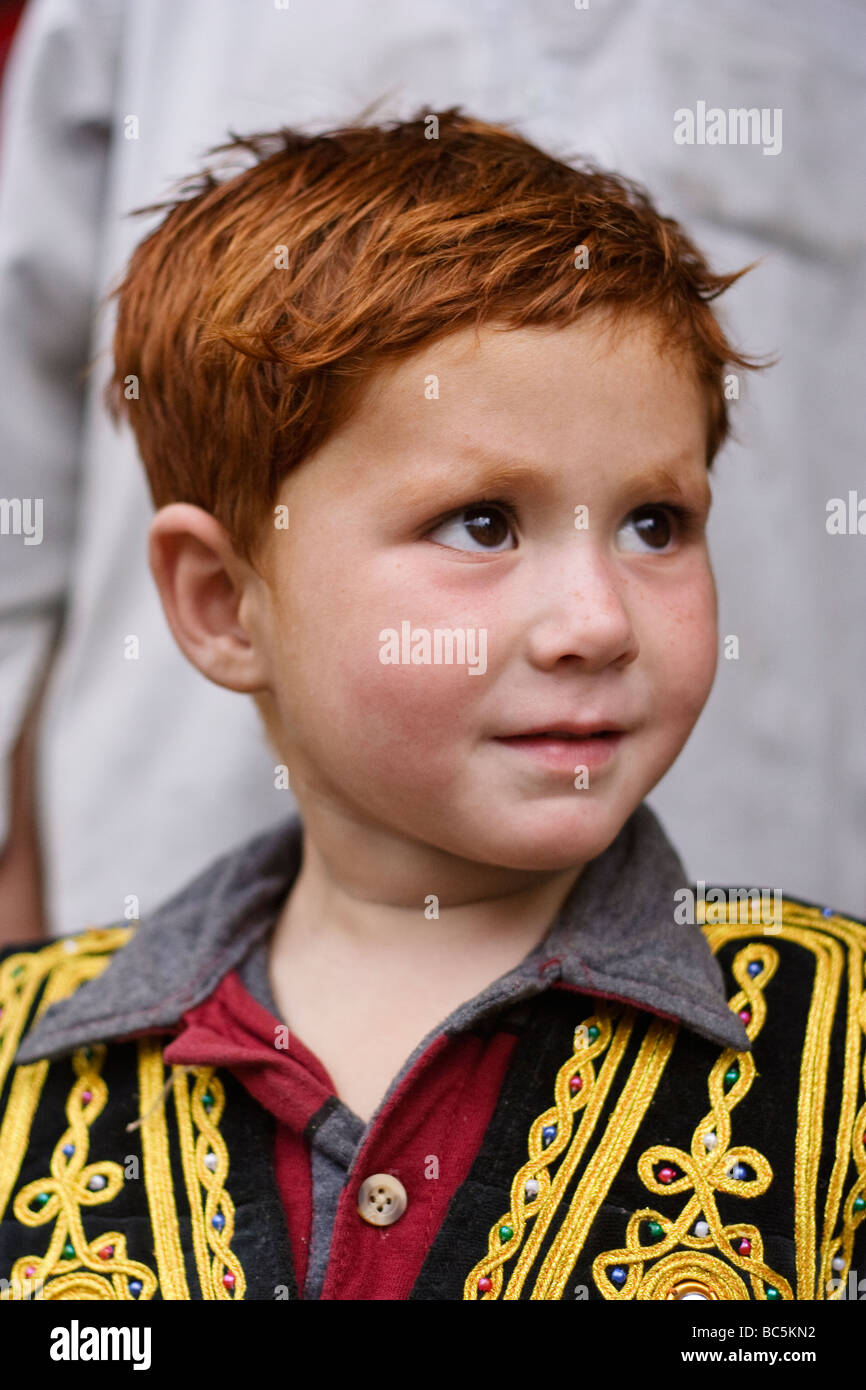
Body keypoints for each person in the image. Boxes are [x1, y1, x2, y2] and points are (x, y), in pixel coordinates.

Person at [1, 110, 863, 1303]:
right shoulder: (25, 1059)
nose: (596, 622)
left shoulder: (840, 1040)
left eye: (653, 524)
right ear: (223, 604)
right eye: (481, 523)